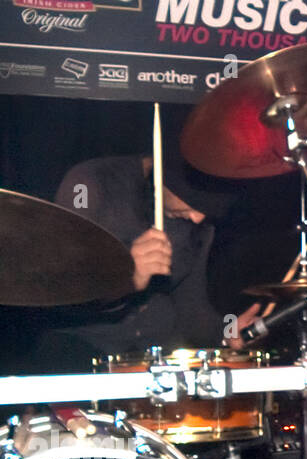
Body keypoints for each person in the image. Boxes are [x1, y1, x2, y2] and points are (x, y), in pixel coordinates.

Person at [41, 146, 268, 369]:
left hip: (154, 357)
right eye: (194, 203)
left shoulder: (197, 224)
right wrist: (128, 278)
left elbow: (192, 306)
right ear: (165, 175)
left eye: (207, 209)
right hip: (82, 351)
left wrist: (229, 332)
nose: (198, 218)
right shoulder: (88, 184)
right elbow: (63, 288)